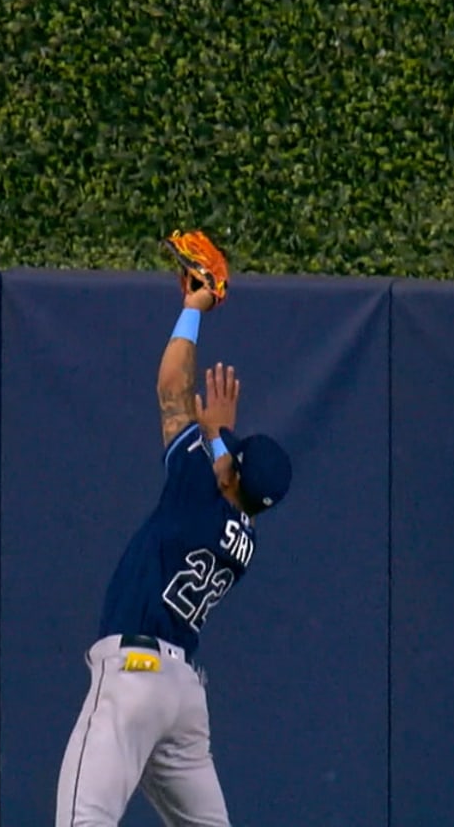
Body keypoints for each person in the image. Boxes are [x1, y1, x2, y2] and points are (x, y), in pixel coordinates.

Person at [54, 280, 294, 827]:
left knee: (80, 820)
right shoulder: (246, 536)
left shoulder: (197, 489)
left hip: (136, 672)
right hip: (183, 698)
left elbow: (170, 390)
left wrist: (193, 307)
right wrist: (220, 441)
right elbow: (230, 487)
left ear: (232, 474)